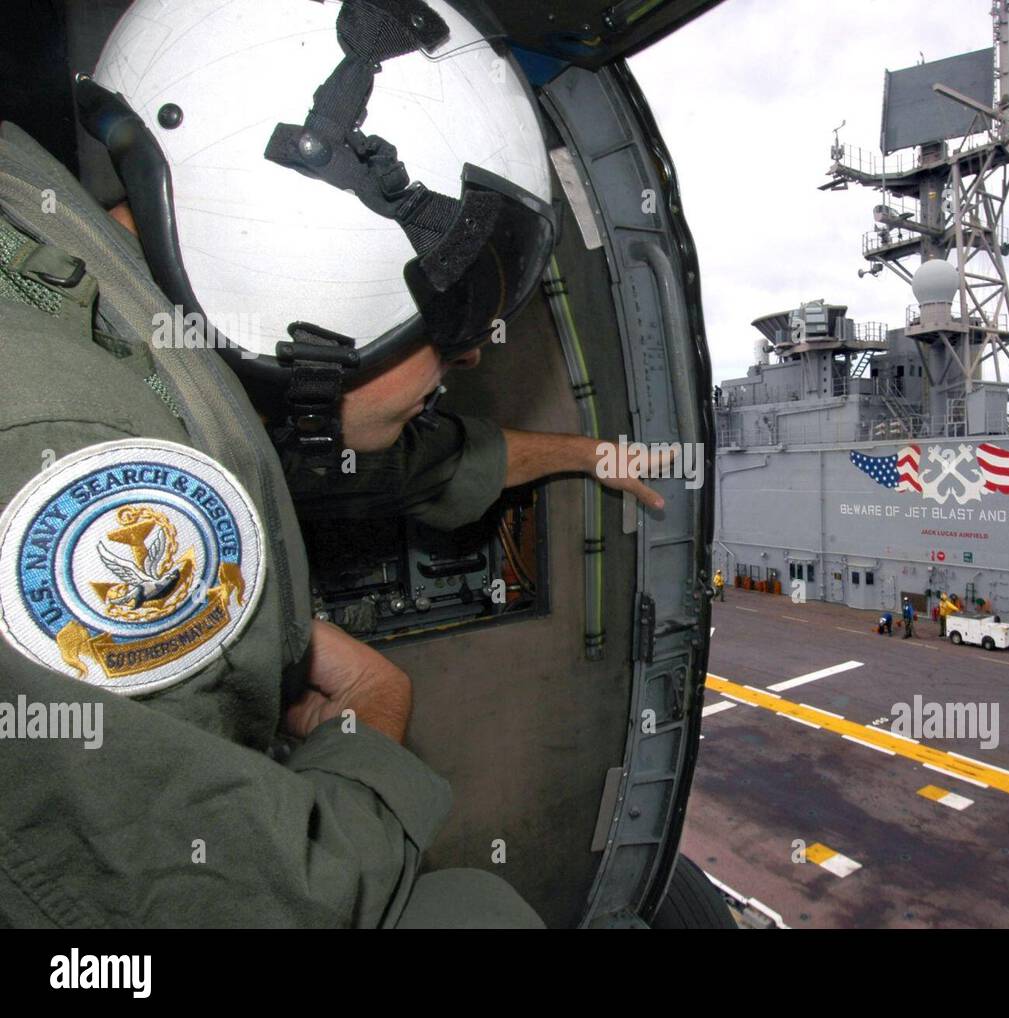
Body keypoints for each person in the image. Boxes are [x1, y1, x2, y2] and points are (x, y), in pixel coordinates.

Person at [0, 0, 659, 929]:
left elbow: (406, 461)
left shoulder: (124, 298)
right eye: (456, 314)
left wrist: (592, 453)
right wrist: (376, 710)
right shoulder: (81, 454)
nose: (471, 355)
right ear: (294, 264)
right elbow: (271, 902)